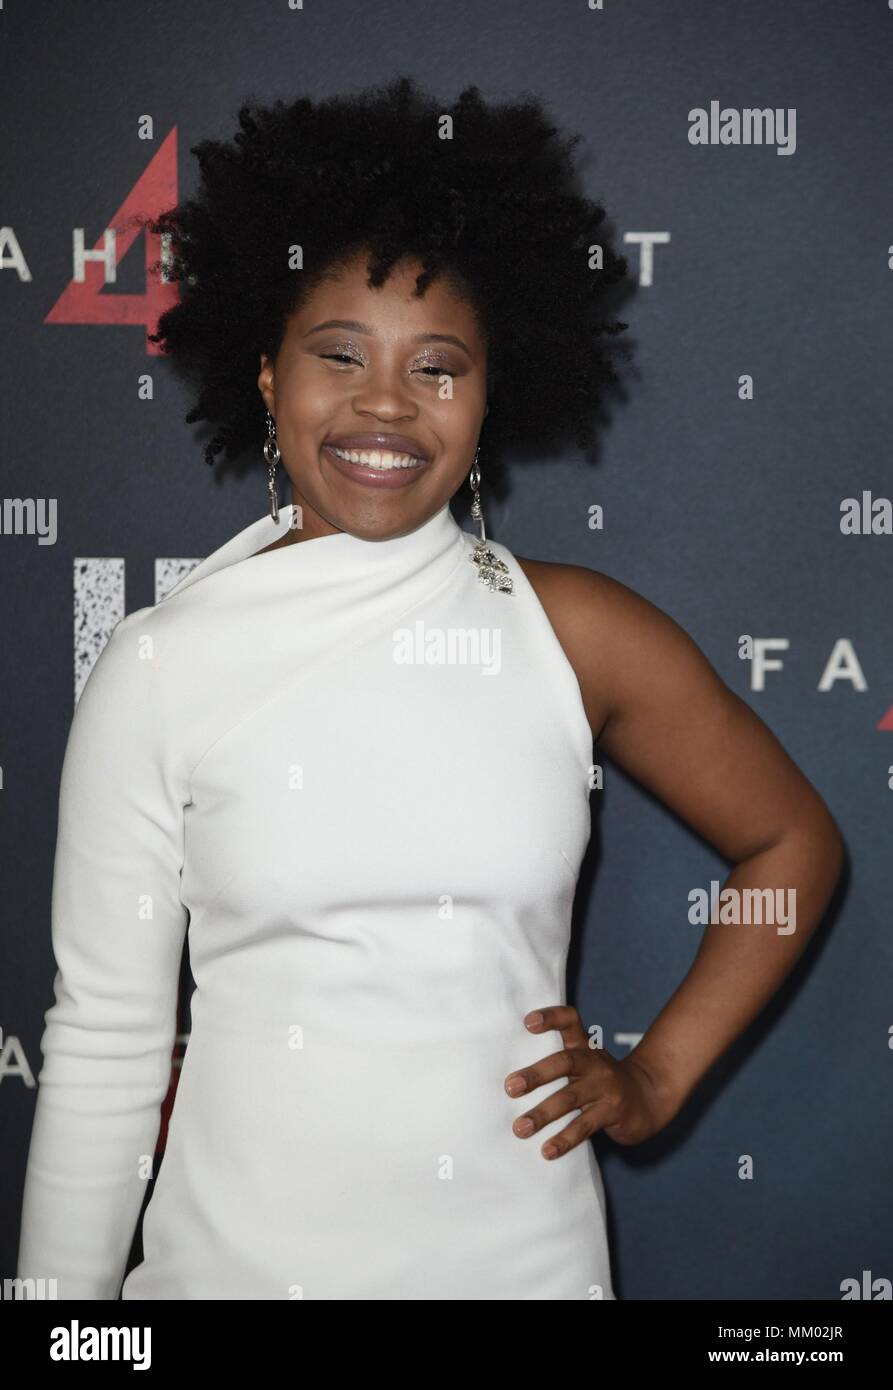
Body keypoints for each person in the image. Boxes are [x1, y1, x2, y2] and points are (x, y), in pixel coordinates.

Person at [17, 77, 843, 1301]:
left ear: (491, 392)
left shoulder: (576, 633)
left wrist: (654, 1079)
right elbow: (105, 1050)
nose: (383, 404)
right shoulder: (158, 665)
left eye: (436, 366)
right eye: (337, 353)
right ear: (263, 373)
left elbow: (789, 845)